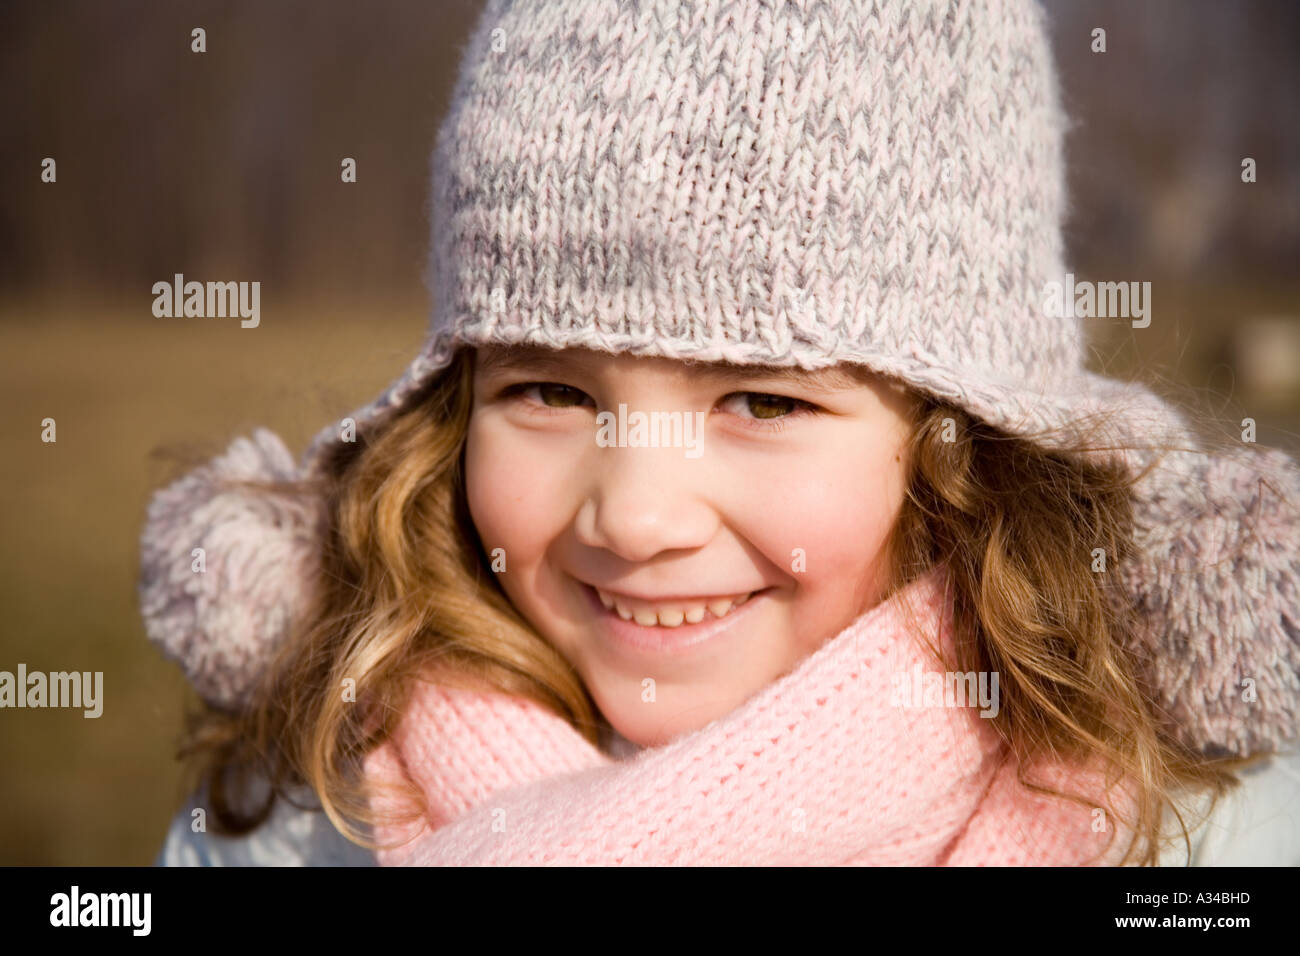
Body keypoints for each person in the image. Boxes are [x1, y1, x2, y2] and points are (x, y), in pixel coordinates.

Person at [141, 0, 1300, 866]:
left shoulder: (1201, 835)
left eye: (762, 401)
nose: (635, 515)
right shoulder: (299, 814)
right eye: (549, 391)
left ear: (968, 440)